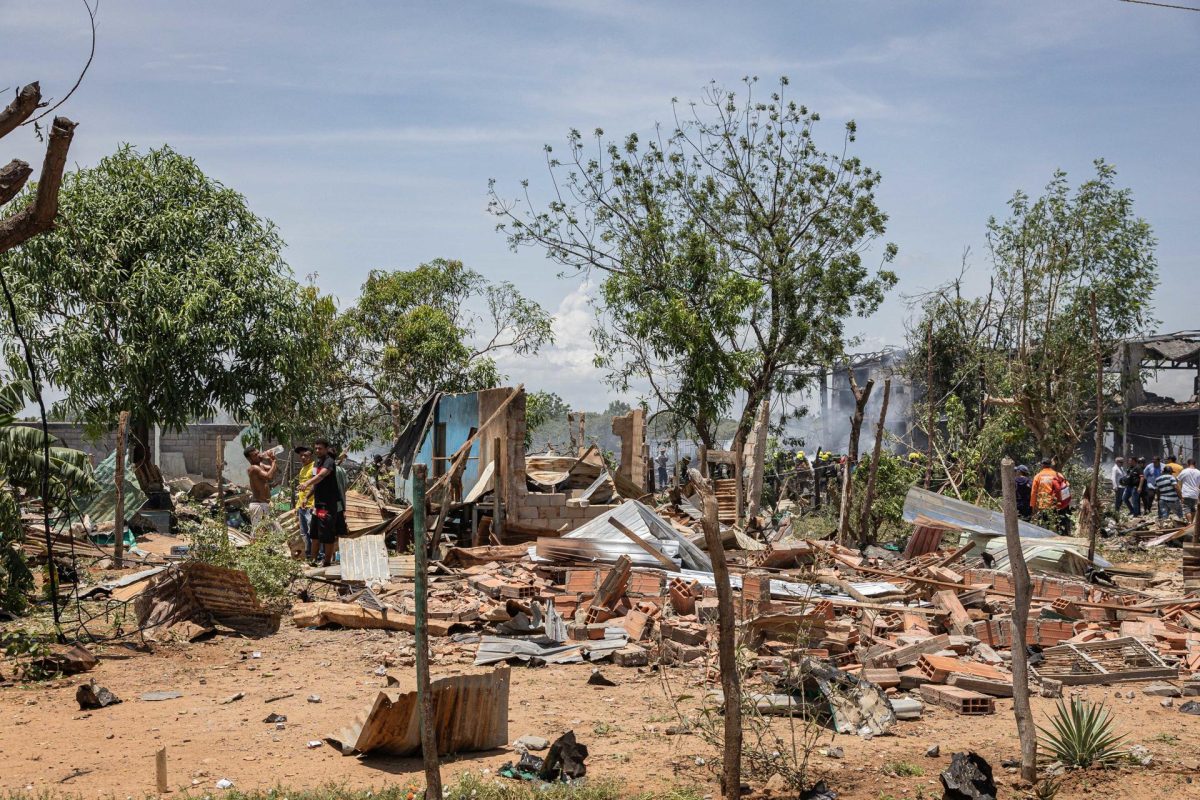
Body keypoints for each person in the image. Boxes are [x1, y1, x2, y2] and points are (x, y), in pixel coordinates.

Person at [299, 438, 342, 566]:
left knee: (327, 534)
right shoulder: (317, 463)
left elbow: (321, 476)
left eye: (320, 448)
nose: (317, 450)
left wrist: (306, 483)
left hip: (327, 506)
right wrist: (307, 497)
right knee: (314, 534)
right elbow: (316, 483)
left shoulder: (329, 461)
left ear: (326, 449)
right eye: (316, 448)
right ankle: (313, 560)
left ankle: (327, 562)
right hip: (317, 506)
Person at [244, 445, 278, 532]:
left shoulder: (261, 465)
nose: (259, 455)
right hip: (258, 505)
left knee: (270, 532)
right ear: (249, 459)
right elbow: (269, 476)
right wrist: (273, 461)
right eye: (255, 455)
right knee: (259, 533)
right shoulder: (253, 468)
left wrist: (270, 459)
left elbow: (275, 469)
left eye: (258, 453)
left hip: (264, 504)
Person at [294, 445, 316, 557]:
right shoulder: (302, 469)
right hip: (301, 506)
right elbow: (301, 489)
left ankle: (317, 555)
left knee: (313, 532)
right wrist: (297, 505)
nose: (303, 457)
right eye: (301, 455)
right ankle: (309, 555)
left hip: (311, 505)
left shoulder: (315, 467)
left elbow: (316, 484)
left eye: (305, 455)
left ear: (311, 455)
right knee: (304, 533)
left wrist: (312, 502)